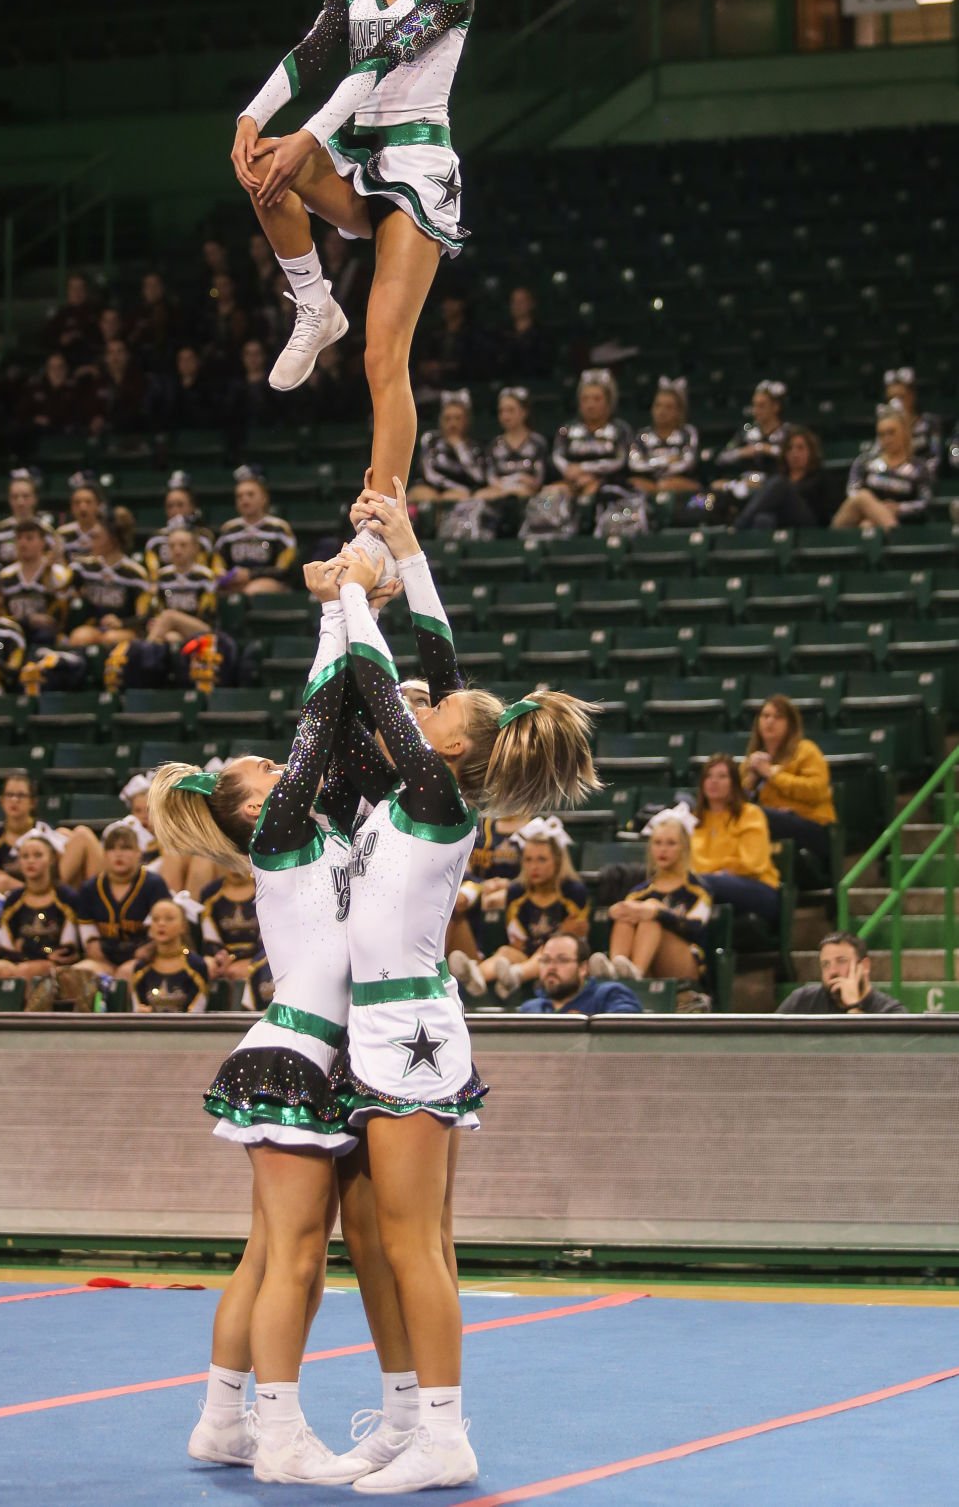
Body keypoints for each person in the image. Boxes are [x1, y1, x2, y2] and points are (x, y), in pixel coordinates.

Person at [331, 481, 597, 1493]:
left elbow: (375, 668)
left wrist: (353, 591)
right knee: (365, 1232)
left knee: (412, 1238)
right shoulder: (418, 775)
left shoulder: (437, 793)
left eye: (437, 709)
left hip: (408, 1029)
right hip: (372, 1023)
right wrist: (402, 544)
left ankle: (446, 1428)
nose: (425, 698)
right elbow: (431, 665)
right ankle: (400, 1411)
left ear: (450, 745)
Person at [229, 0, 521, 524]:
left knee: (380, 355)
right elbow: (306, 57)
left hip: (415, 178)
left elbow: (377, 65)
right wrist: (251, 118)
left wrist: (307, 136)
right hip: (358, 163)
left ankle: (380, 510)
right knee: (264, 167)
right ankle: (313, 300)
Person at [151, 570, 376, 1486]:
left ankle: (220, 1419)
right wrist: (335, 610)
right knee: (294, 1257)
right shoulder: (278, 839)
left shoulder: (317, 833)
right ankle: (279, 1434)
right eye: (268, 775)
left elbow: (339, 735)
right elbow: (317, 724)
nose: (285, 771)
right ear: (250, 808)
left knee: (267, 1252)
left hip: (299, 1051)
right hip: (291, 1054)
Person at [451, 817, 589, 999]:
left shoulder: (573, 891)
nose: (534, 867)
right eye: (528, 860)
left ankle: (515, 975)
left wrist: (546, 946)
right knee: (505, 952)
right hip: (524, 953)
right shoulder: (516, 891)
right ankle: (476, 978)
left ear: (557, 861)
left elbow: (573, 938)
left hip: (561, 958)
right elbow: (517, 939)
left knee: (546, 954)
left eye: (541, 860)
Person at [606, 807, 714, 983]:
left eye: (671, 843)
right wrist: (614, 913)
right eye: (657, 843)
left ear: (684, 847)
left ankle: (636, 975)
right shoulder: (639, 891)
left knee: (651, 915)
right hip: (649, 962)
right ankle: (614, 973)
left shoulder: (699, 889)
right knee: (627, 915)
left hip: (686, 964)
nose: (663, 849)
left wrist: (658, 913)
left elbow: (696, 926)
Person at [740, 695, 837, 867]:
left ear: (790, 724)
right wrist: (751, 780)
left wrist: (772, 775)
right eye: (765, 716)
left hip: (810, 825)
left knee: (757, 814)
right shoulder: (752, 760)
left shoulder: (806, 751)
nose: (770, 721)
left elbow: (817, 790)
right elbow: (737, 801)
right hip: (772, 824)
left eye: (778, 717)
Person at [0, 831, 82, 983]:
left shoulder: (66, 897)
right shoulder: (14, 899)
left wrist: (36, 951)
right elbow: (6, 948)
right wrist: (38, 952)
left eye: (38, 855)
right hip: (21, 961)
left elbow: (67, 950)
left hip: (58, 964)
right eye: (25, 856)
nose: (30, 861)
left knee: (26, 971)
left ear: (52, 859)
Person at [689, 754, 780, 926]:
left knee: (697, 882)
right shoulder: (694, 820)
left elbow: (752, 864)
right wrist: (718, 871)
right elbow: (687, 863)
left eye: (722, 776)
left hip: (757, 888)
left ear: (734, 783)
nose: (714, 781)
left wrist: (713, 873)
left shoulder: (750, 814)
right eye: (709, 776)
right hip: (707, 884)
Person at [73, 822, 171, 978]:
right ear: (104, 854)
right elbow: (91, 943)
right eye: (112, 848)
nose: (118, 854)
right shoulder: (89, 889)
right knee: (79, 973)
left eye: (126, 848)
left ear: (139, 853)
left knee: (125, 974)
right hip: (103, 960)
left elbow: (158, 939)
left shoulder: (154, 885)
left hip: (146, 958)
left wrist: (145, 951)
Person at [832, 409, 932, 530]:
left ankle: (890, 532)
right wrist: (876, 509)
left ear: (904, 433)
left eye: (891, 432)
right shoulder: (864, 462)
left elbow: (924, 502)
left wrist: (898, 508)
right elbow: (853, 493)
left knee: (867, 526)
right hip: (856, 517)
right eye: (882, 434)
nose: (887, 438)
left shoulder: (919, 467)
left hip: (902, 523)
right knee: (863, 497)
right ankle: (892, 532)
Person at [65, 510, 152, 647]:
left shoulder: (134, 573)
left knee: (111, 639)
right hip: (95, 626)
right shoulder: (84, 568)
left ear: (113, 539)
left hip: (125, 628)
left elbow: (144, 616)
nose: (90, 542)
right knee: (79, 637)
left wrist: (122, 623)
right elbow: (61, 588)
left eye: (96, 537)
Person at [212, 467, 297, 597]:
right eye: (240, 496)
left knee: (252, 590)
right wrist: (223, 575)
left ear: (264, 498)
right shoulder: (229, 529)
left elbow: (283, 569)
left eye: (250, 494)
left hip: (272, 582)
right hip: (235, 583)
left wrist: (250, 574)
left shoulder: (279, 528)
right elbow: (218, 562)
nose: (244, 500)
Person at [547, 369, 632, 500]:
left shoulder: (620, 429)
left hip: (609, 484)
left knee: (592, 491)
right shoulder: (567, 429)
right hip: (572, 481)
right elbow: (557, 456)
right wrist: (570, 472)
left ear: (609, 402)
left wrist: (585, 469)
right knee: (549, 494)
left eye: (597, 399)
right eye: (585, 399)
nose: (590, 405)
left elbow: (621, 461)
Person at [734, 425, 836, 532]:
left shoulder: (821, 477)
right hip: (780, 520)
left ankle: (737, 528)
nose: (794, 453)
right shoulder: (778, 474)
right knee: (763, 519)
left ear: (811, 452)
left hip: (810, 525)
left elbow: (827, 512)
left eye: (800, 448)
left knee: (780, 483)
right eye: (790, 448)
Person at [776, 932, 906, 1014]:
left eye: (842, 961)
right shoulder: (802, 1001)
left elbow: (867, 1055)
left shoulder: (890, 1012)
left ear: (864, 966)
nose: (833, 971)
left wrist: (854, 1006)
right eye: (825, 964)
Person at [199, 861, 270, 1011]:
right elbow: (210, 938)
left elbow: (270, 933)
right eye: (230, 861)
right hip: (226, 960)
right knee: (207, 966)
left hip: (261, 955)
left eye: (241, 861)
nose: (235, 867)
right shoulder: (211, 893)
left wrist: (252, 961)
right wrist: (219, 959)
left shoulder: (265, 887)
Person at [518, 934, 643, 1015]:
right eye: (546, 960)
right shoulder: (531, 1009)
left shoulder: (609, 995)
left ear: (583, 968)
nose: (551, 967)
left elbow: (626, 1034)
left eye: (562, 960)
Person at [0, 518, 72, 647]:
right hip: (13, 632)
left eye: (29, 538)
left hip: (48, 634)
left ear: (42, 542)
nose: (23, 543)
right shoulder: (5, 575)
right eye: (19, 538)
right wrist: (27, 620)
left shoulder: (58, 573)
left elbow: (64, 613)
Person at [129, 903, 213, 1013]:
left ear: (183, 926)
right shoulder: (142, 967)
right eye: (155, 919)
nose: (161, 924)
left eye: (169, 919)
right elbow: (138, 1009)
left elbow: (196, 1012)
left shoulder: (196, 965)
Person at [627, 378, 700, 504]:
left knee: (666, 486)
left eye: (669, 407)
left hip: (679, 481)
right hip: (649, 482)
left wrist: (650, 463)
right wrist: (667, 460)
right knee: (632, 483)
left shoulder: (688, 433)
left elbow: (687, 463)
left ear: (679, 411)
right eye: (658, 405)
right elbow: (635, 464)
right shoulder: (642, 435)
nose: (662, 411)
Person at [408, 390, 485, 503]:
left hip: (460, 493)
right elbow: (428, 473)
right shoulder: (430, 440)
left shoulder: (473, 447)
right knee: (422, 494)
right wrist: (449, 490)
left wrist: (459, 447)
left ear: (466, 421)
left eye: (458, 418)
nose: (452, 424)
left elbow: (479, 477)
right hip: (430, 488)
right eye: (447, 419)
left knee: (457, 497)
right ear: (441, 421)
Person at [475, 386, 548, 503]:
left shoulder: (537, 442)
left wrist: (526, 485)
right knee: (480, 495)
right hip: (500, 492)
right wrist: (513, 482)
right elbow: (491, 477)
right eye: (501, 411)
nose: (505, 416)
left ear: (524, 412)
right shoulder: (494, 445)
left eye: (510, 410)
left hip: (530, 495)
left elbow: (538, 479)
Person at [147, 526, 218, 645]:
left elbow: (208, 613)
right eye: (172, 546)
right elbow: (156, 609)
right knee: (171, 638)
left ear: (195, 548)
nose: (177, 550)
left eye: (183, 545)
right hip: (173, 629)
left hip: (202, 628)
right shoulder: (163, 576)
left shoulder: (206, 576)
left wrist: (174, 620)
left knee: (169, 615)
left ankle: (144, 650)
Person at [714, 380, 787, 481]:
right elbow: (722, 458)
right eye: (754, 405)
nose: (755, 411)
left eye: (761, 406)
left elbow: (791, 455)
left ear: (775, 407)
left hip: (777, 482)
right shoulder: (746, 431)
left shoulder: (788, 432)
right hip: (749, 483)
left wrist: (764, 448)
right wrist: (741, 452)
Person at [143, 472, 215, 574]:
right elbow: (154, 577)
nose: (175, 510)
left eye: (180, 505)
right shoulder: (156, 539)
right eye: (170, 506)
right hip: (168, 588)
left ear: (192, 507)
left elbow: (206, 571)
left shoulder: (203, 537)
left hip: (196, 586)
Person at [0, 470, 57, 568]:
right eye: (15, 497)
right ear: (9, 499)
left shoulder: (46, 530)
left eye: (25, 496)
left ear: (35, 499)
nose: (20, 502)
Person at [883, 367, 941, 478]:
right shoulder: (885, 427)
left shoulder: (930, 423)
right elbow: (879, 456)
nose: (895, 403)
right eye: (891, 398)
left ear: (912, 395)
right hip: (891, 480)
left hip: (921, 479)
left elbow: (935, 459)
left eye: (901, 397)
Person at [57, 475, 105, 561]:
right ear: (71, 507)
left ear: (98, 505)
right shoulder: (62, 534)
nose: (83, 508)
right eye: (77, 503)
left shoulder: (106, 534)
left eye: (88, 502)